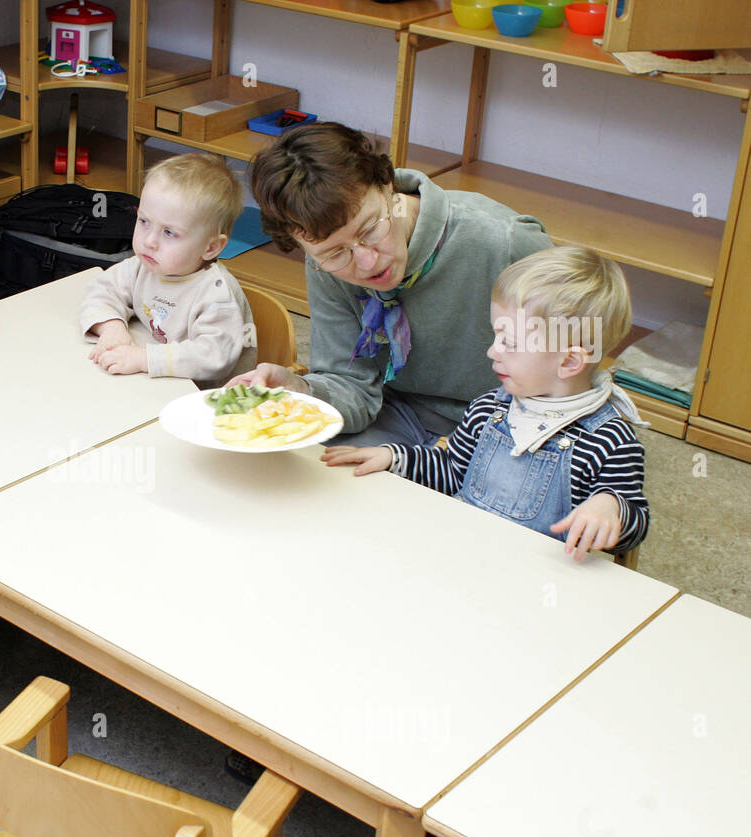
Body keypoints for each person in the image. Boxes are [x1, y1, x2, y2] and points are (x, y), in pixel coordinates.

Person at [322, 246, 650, 561]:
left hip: (538, 585)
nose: (493, 351)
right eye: (496, 336)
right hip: (460, 554)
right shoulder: (488, 409)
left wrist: (611, 507)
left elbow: (634, 528)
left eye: (510, 343)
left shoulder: (610, 440)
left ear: (568, 362)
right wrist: (393, 455)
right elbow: (451, 472)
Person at [236, 122, 552, 446]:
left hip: (504, 423)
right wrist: (303, 391)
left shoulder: (506, 242)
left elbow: (584, 344)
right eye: (334, 253)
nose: (367, 262)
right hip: (395, 415)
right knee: (304, 471)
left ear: (388, 187)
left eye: (370, 230)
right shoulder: (325, 263)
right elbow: (351, 386)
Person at [80, 152, 256, 388]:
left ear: (211, 247)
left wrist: (144, 358)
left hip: (205, 399)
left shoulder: (216, 295)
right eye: (144, 221)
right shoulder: (144, 265)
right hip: (154, 386)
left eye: (169, 232)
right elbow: (101, 289)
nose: (149, 241)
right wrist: (112, 328)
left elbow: (213, 356)